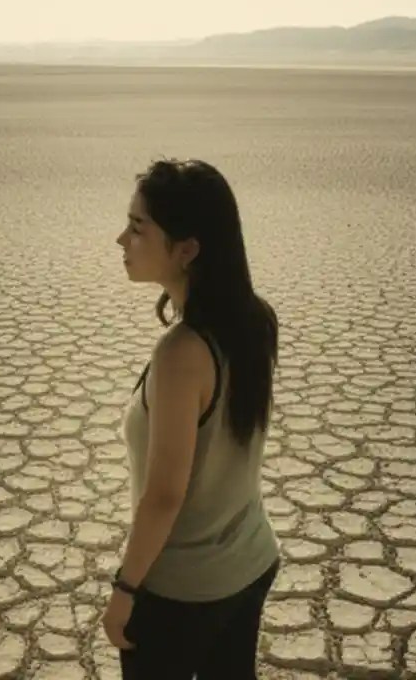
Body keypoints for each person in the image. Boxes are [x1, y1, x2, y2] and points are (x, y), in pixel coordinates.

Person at [105, 157, 283, 679]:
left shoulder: (182, 354)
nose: (121, 239)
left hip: (183, 592)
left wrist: (124, 589)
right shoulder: (256, 320)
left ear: (187, 249)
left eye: (138, 228)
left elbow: (164, 495)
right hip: (250, 564)